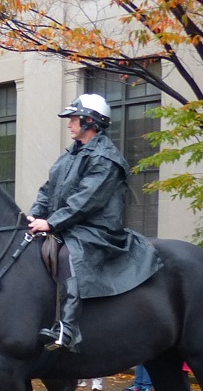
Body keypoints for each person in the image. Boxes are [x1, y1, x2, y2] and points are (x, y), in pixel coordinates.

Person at [27, 94, 163, 352]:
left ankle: (67, 328)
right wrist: (36, 215)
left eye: (74, 119)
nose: (69, 124)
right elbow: (47, 189)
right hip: (68, 225)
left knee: (67, 256)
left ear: (90, 121)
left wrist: (51, 223)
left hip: (95, 231)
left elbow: (86, 201)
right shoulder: (70, 154)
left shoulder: (106, 158)